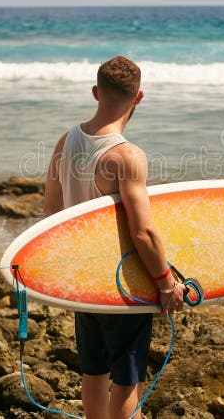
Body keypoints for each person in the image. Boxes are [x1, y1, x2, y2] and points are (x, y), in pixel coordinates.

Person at [42, 56, 186, 419]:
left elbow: (51, 215)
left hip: (83, 280)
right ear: (139, 98)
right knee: (127, 380)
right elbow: (143, 232)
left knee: (93, 372)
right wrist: (166, 284)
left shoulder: (66, 142)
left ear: (95, 92)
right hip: (123, 284)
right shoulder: (127, 156)